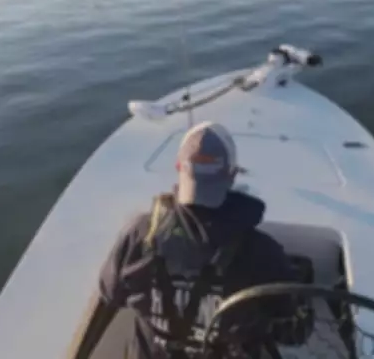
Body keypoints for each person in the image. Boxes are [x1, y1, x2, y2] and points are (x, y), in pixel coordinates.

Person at [94, 121, 299, 359]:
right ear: (232, 175)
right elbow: (285, 309)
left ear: (179, 168)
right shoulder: (263, 251)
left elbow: (110, 294)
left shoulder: (139, 233)